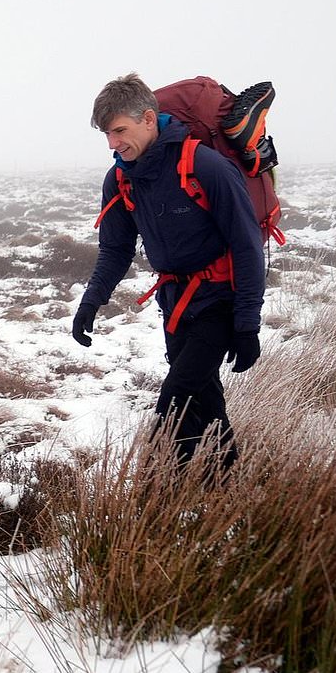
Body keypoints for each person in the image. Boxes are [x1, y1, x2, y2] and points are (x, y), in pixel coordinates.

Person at [72, 73, 266, 467]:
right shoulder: (122, 178)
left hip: (220, 302)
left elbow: (247, 248)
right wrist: (90, 303)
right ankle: (227, 488)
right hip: (175, 304)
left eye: (119, 131)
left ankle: (155, 496)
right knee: (206, 406)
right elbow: (115, 249)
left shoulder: (205, 167)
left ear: (147, 119)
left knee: (175, 403)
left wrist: (247, 324)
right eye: (107, 135)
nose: (113, 144)